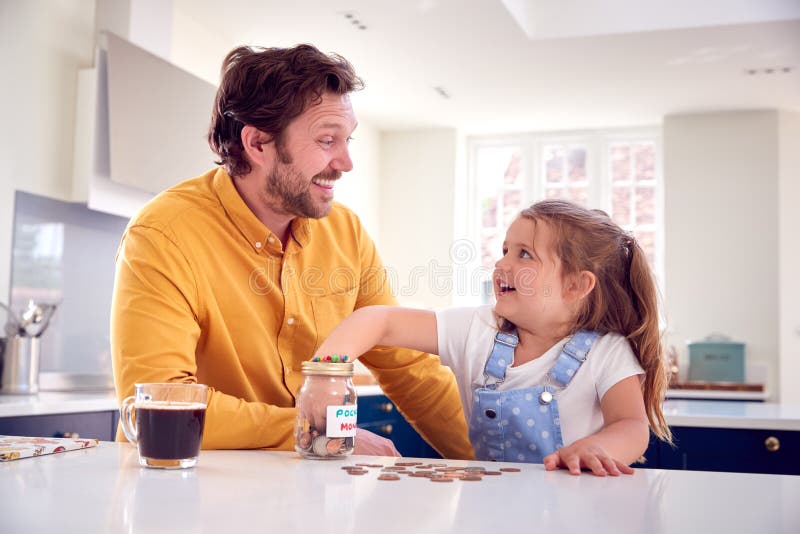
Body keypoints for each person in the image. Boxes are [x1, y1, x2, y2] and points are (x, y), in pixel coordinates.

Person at [110, 43, 473, 459]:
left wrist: (506, 459)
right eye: (326, 140)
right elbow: (160, 400)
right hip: (191, 493)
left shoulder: (346, 233)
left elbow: (410, 371)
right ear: (258, 143)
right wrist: (310, 431)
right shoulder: (164, 234)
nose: (346, 161)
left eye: (347, 139)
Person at [314, 199, 673, 474]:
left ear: (576, 285)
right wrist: (326, 374)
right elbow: (380, 321)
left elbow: (631, 425)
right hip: (486, 510)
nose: (502, 264)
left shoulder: (607, 352)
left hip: (576, 511)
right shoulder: (478, 330)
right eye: (505, 250)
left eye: (524, 255)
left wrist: (599, 449)